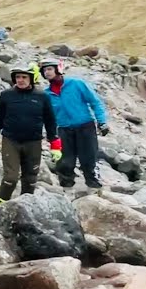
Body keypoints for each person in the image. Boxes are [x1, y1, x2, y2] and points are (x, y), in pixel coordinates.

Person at [0, 65, 61, 203]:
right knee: (10, 178)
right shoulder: (6, 95)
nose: (20, 80)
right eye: (18, 77)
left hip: (33, 142)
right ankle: (0, 203)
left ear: (31, 79)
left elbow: (50, 121)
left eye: (24, 77)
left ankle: (27, 204)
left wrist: (55, 144)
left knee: (30, 178)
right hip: (11, 141)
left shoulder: (42, 96)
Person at [38, 57, 109, 191]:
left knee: (88, 159)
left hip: (85, 126)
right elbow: (46, 116)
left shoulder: (76, 84)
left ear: (58, 69)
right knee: (64, 162)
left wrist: (102, 121)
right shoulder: (46, 94)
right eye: (44, 70)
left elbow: (95, 102)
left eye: (50, 69)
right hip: (63, 129)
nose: (47, 72)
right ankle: (67, 190)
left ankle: (94, 188)